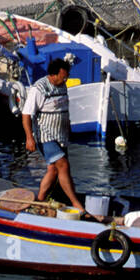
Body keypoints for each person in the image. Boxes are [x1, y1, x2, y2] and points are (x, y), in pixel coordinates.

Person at [22, 58, 89, 217]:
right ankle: (76, 204)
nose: (65, 79)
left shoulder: (63, 85)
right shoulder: (39, 89)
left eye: (66, 76)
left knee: (53, 170)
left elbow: (64, 108)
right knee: (63, 165)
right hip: (45, 135)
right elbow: (26, 115)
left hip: (60, 134)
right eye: (63, 76)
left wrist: (69, 127)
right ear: (53, 75)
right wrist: (29, 138)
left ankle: (40, 199)